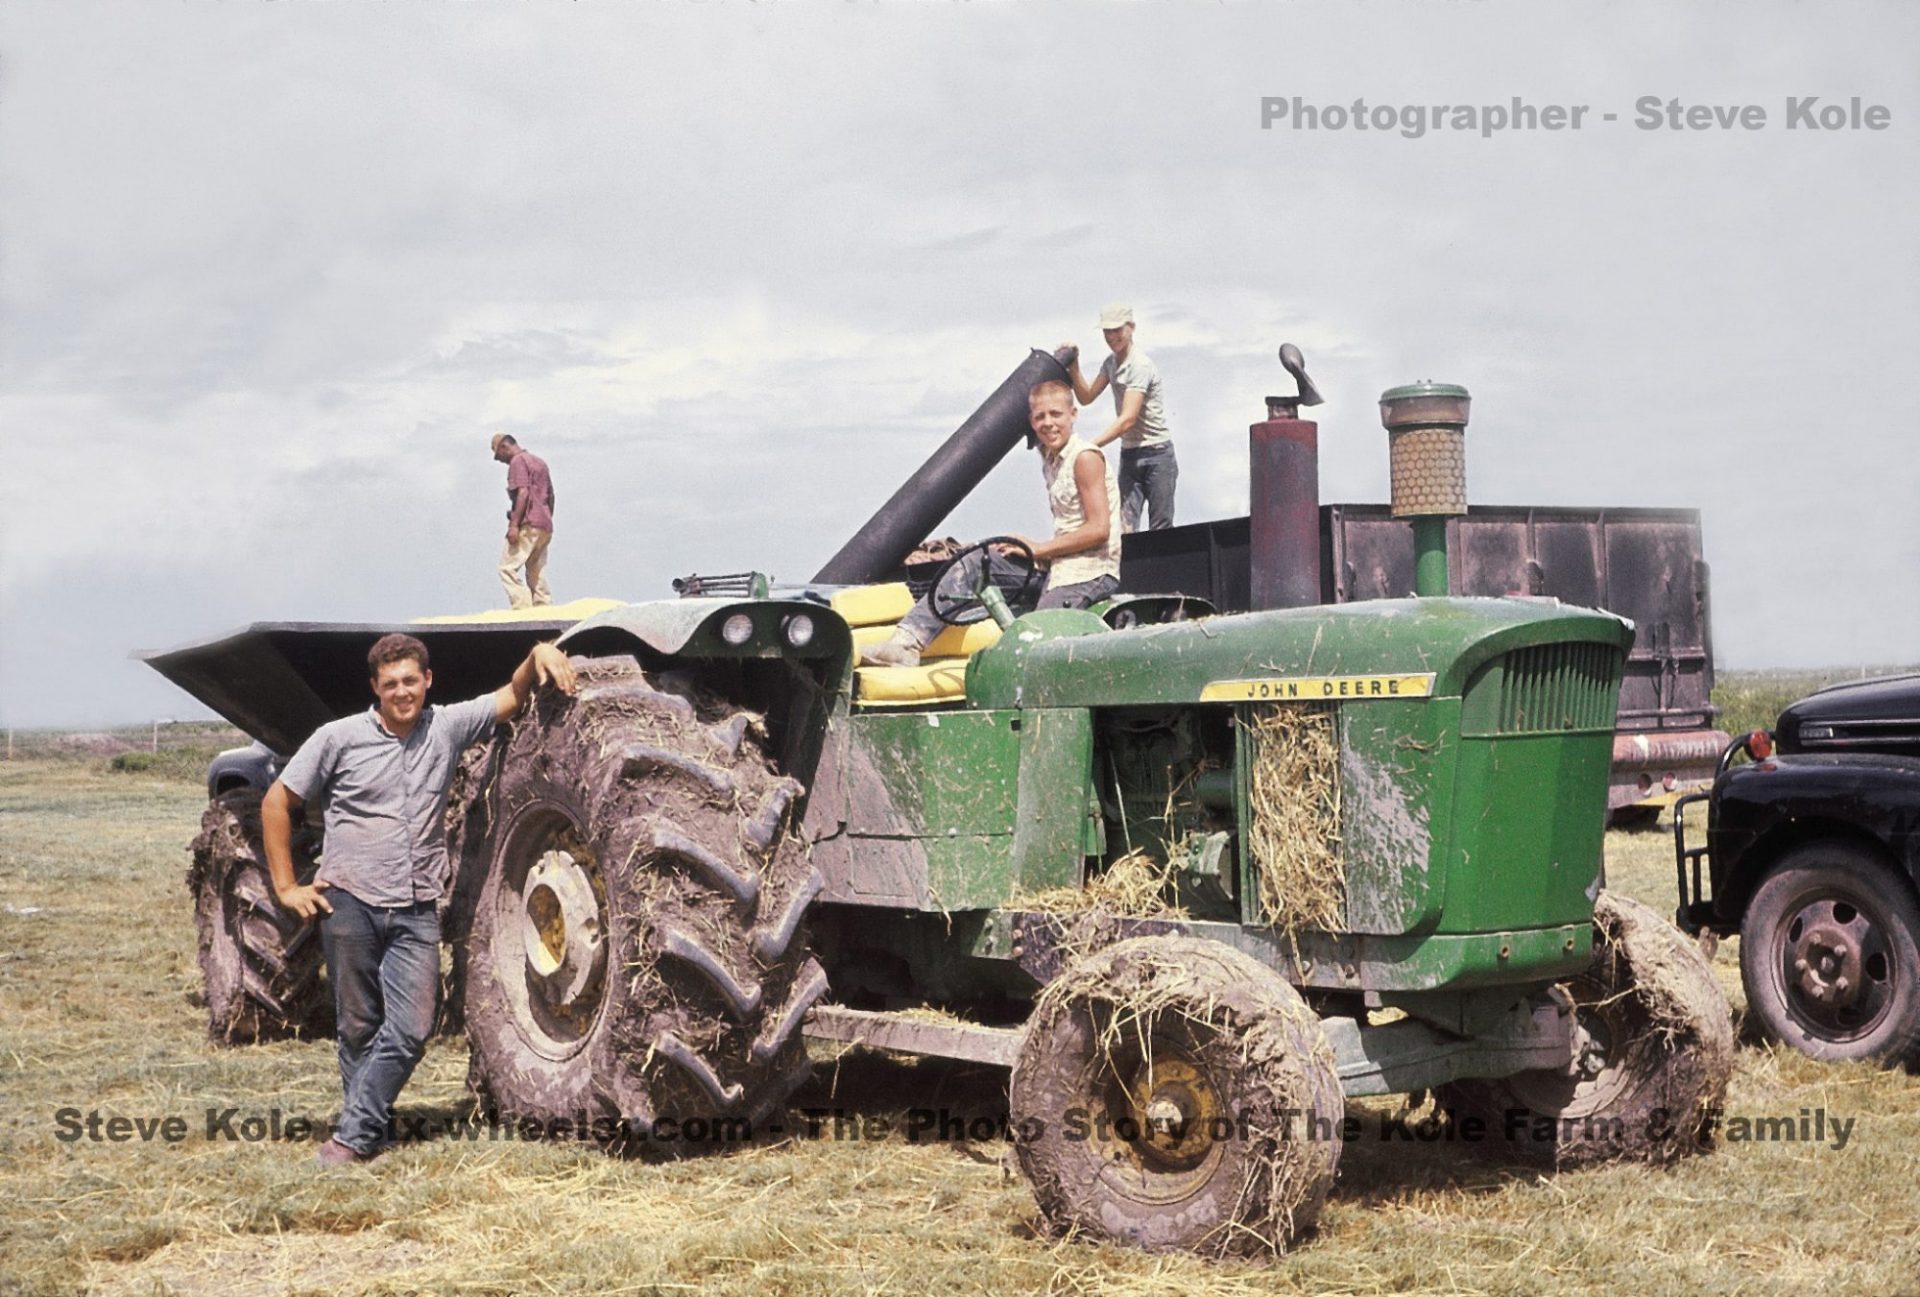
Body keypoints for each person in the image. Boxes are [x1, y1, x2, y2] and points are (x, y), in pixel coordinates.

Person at [262, 632, 578, 1165]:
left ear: (427, 681)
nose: (402, 692)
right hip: (348, 902)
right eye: (391, 684)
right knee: (358, 1026)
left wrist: (538, 654)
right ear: (375, 688)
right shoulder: (337, 738)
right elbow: (277, 801)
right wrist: (286, 887)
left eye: (411, 680)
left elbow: (510, 696)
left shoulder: (447, 728)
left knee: (411, 1028)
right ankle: (369, 1133)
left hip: (414, 907)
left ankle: (350, 1135)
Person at [860, 379, 1120, 667]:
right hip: (1057, 568)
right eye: (1039, 417)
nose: (1048, 423)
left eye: (1056, 414)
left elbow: (1099, 530)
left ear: (1074, 415)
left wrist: (1038, 550)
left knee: (1035, 641)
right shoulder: (1051, 459)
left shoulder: (1085, 458)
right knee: (976, 562)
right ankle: (906, 643)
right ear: (1031, 422)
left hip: (1088, 573)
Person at [1061, 303, 1179, 531]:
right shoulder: (1111, 363)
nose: (1111, 336)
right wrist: (1074, 366)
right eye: (1107, 331)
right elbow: (1086, 397)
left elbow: (1128, 419)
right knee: (1124, 527)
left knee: (1161, 528)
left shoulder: (1139, 365)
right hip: (1130, 454)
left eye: (1116, 330)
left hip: (1157, 453)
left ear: (1131, 328)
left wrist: (1090, 446)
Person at [491, 433, 556, 608]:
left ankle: (523, 609)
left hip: (528, 524)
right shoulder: (539, 462)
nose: (499, 460)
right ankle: (543, 608)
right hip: (544, 524)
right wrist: (546, 517)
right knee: (537, 570)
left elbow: (523, 492)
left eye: (498, 455)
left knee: (507, 568)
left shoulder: (518, 461)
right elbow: (550, 496)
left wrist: (514, 525)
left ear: (505, 447)